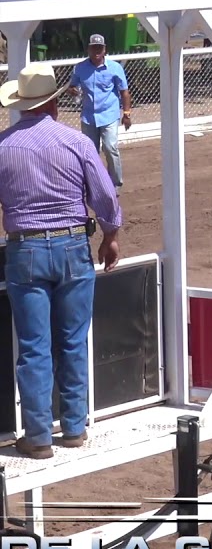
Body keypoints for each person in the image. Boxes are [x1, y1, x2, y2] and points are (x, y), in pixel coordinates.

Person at [0, 62, 123, 460]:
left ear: (21, 105)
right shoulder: (77, 142)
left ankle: (37, 436)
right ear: (54, 102)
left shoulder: (3, 146)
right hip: (72, 245)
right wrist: (111, 236)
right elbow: (105, 197)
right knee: (72, 340)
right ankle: (73, 426)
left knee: (34, 346)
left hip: (26, 248)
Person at [68, 34, 132, 194]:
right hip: (89, 117)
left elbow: (124, 92)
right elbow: (72, 87)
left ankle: (115, 183)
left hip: (109, 114)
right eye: (93, 47)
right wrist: (73, 91)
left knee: (110, 148)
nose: (97, 50)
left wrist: (127, 113)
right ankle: (93, 184)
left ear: (105, 50)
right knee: (90, 152)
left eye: (99, 48)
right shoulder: (80, 68)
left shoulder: (115, 68)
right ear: (88, 49)